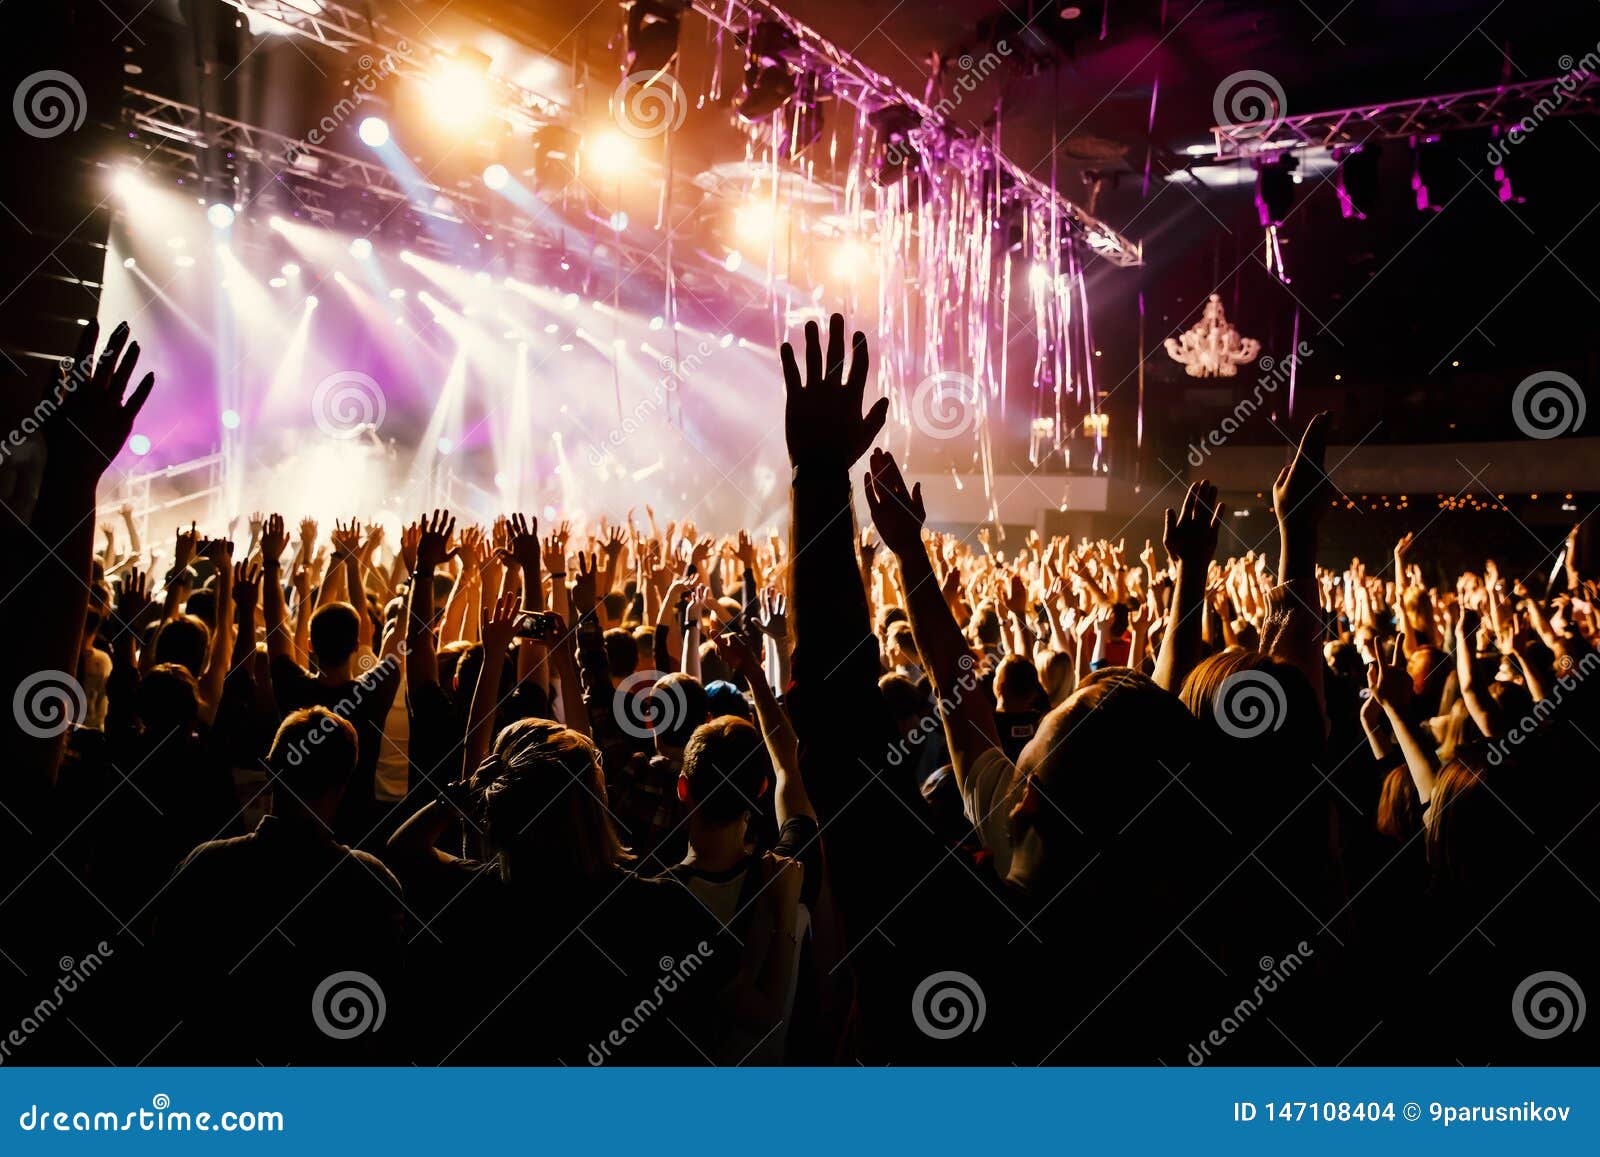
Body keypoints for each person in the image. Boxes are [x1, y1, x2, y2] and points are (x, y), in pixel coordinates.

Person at [149, 707, 404, 1063]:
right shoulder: (373, 883)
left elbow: (163, 981)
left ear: (269, 771)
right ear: (344, 783)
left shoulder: (205, 865)